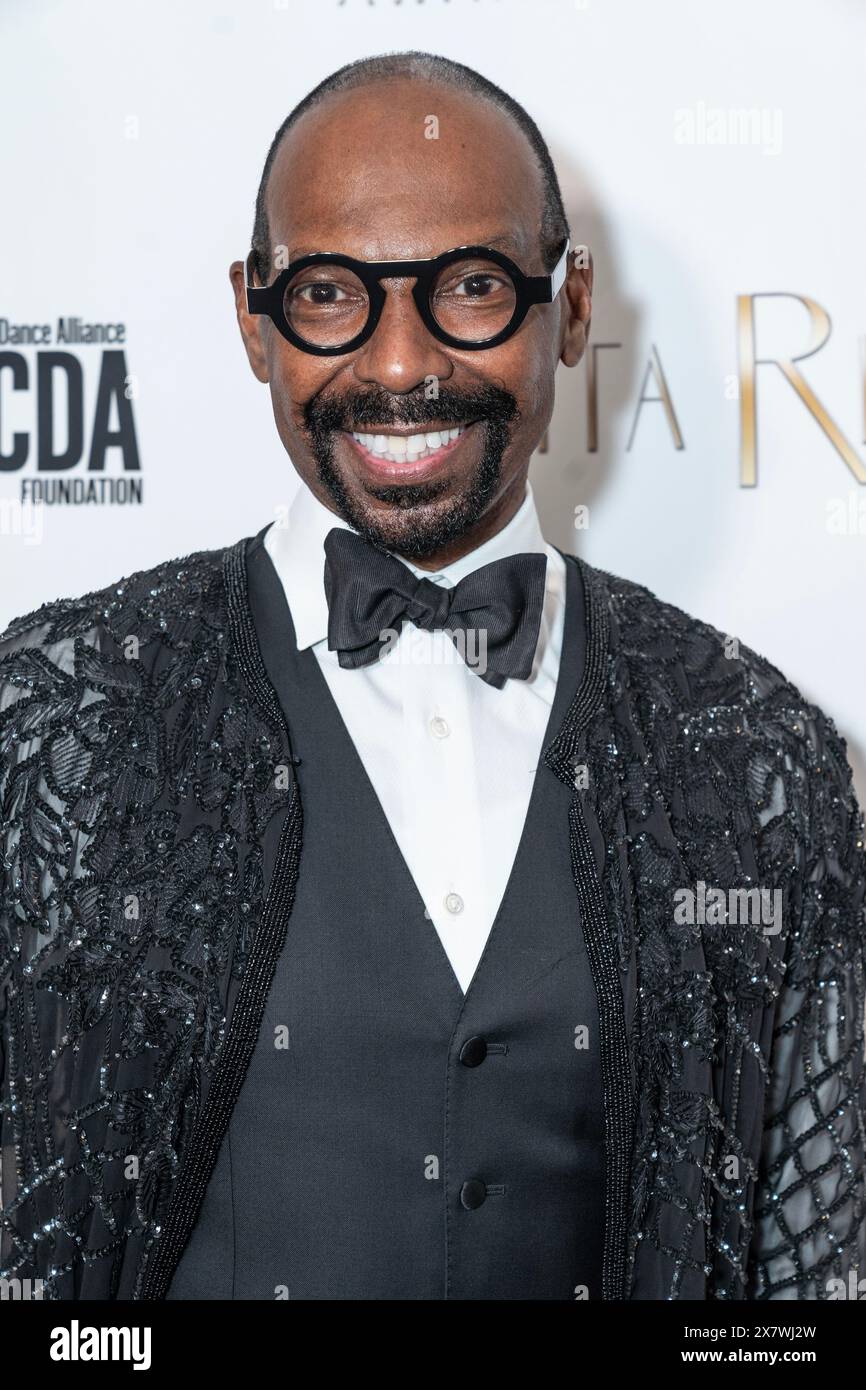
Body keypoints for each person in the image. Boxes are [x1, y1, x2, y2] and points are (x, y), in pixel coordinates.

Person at [1, 51, 863, 1303]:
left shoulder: (753, 751)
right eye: (329, 295)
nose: (399, 365)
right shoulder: (47, 720)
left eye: (469, 286)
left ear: (569, 310)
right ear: (253, 320)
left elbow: (798, 1268)